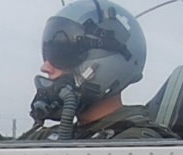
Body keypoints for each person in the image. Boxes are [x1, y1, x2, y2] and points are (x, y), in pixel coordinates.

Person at [20, 0, 169, 141]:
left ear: (104, 65)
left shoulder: (136, 144)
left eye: (61, 54)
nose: (45, 67)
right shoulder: (47, 138)